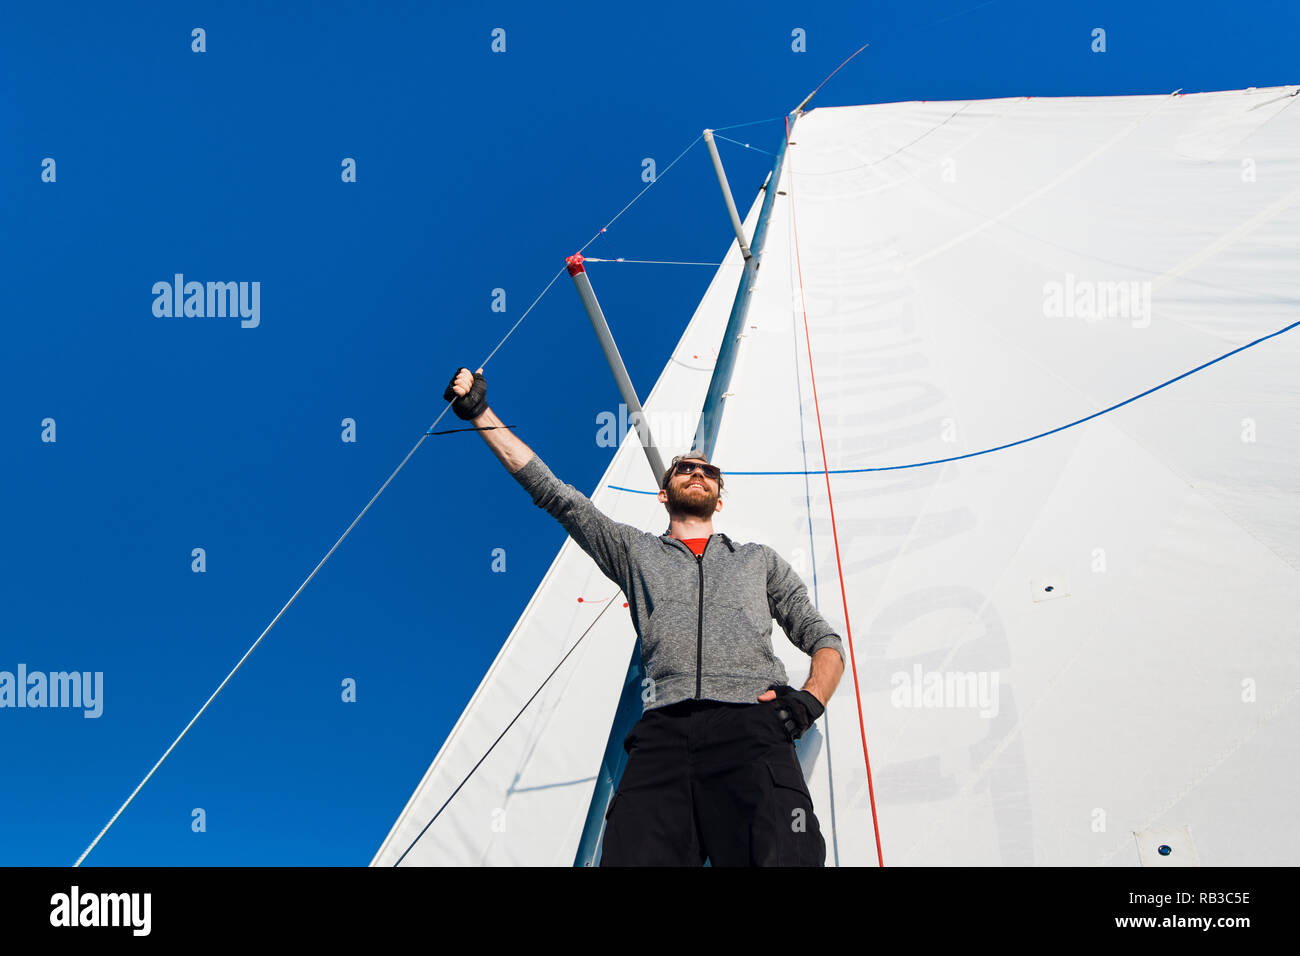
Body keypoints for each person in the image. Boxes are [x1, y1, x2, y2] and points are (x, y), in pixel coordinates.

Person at [444, 367, 846, 866]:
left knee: (782, 857)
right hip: (662, 739)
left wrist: (809, 701)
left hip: (752, 729)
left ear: (719, 497)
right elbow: (557, 496)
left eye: (707, 472)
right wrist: (480, 414)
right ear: (664, 493)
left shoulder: (758, 560)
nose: (697, 473)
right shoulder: (634, 551)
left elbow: (824, 638)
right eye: (684, 469)